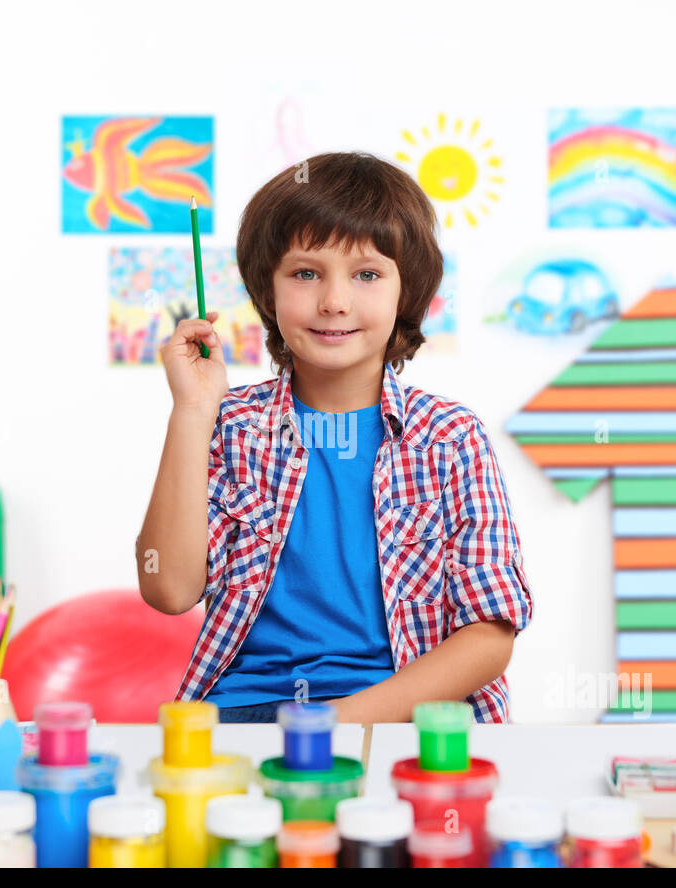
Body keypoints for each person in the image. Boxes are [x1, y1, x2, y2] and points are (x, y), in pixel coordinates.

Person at [136, 151, 533, 723]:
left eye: (367, 274)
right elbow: (167, 590)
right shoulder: (230, 425)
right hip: (247, 714)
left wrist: (332, 727)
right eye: (306, 273)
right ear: (267, 291)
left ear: (407, 292)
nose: (334, 301)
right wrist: (193, 411)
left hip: (403, 717)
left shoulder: (450, 438)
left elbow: (489, 636)